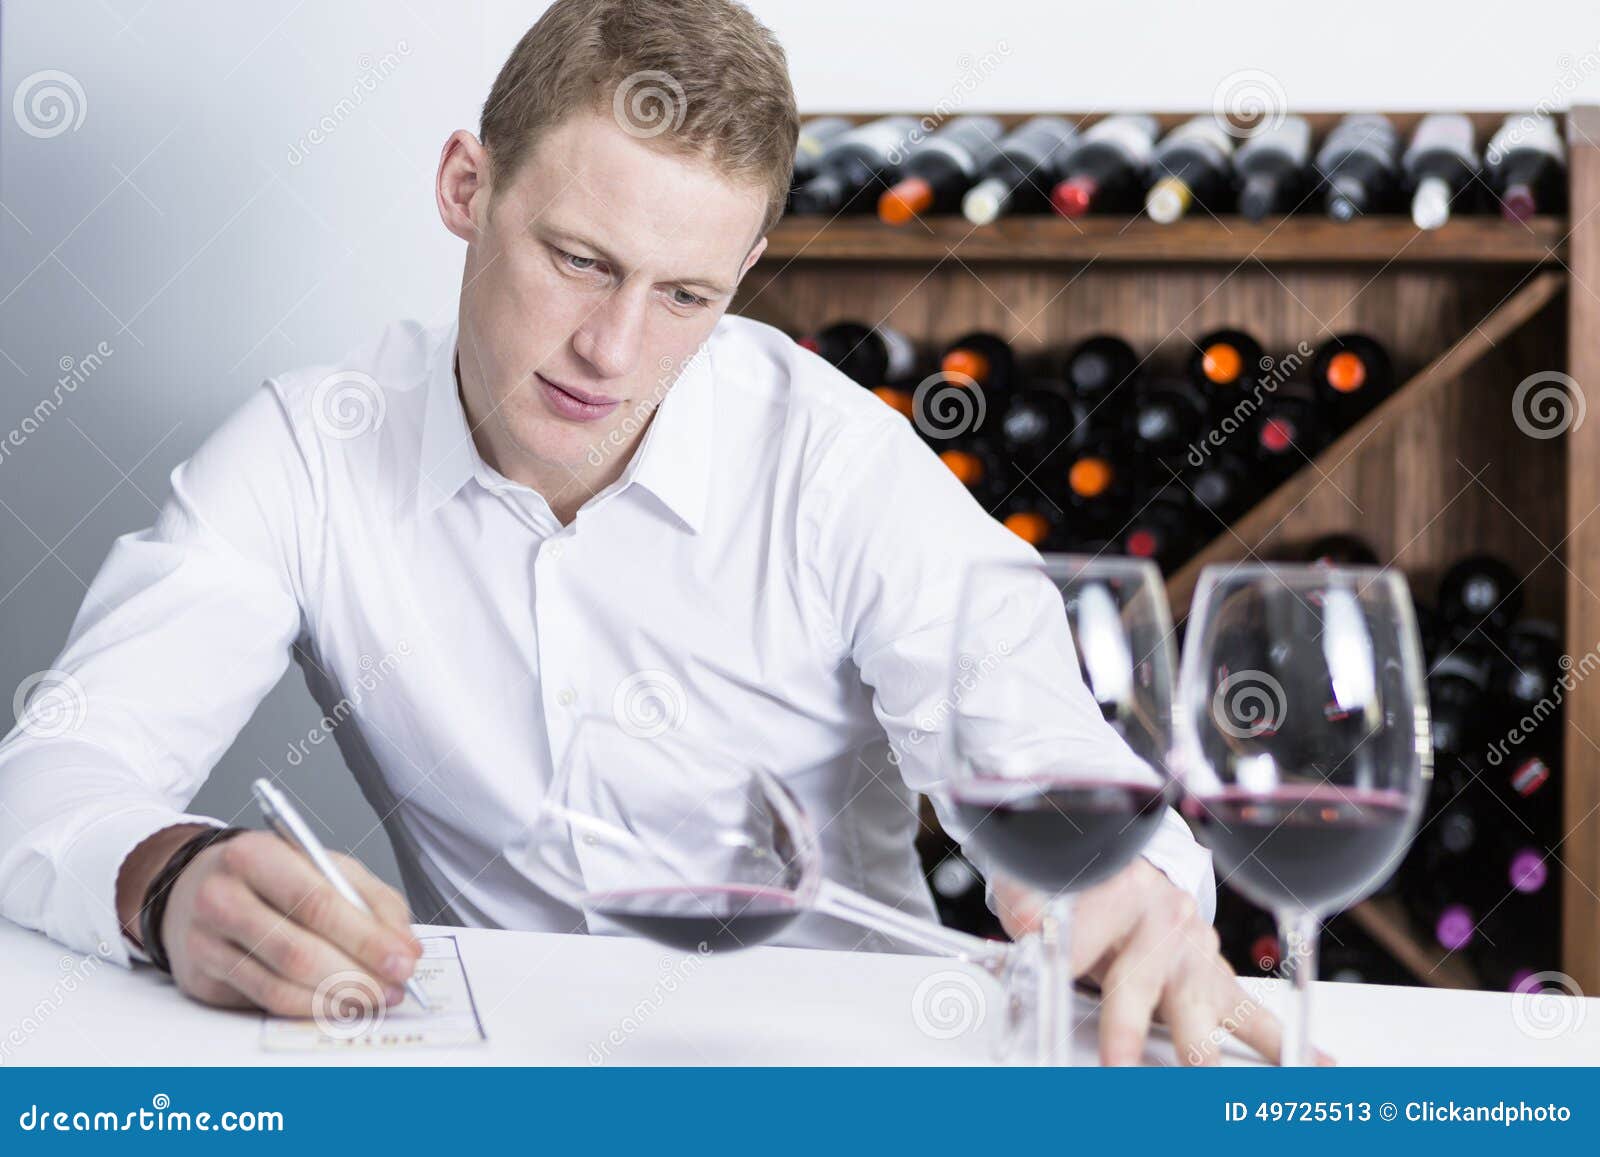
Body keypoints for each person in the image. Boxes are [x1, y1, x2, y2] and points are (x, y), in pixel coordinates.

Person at [0, 0, 1307, 1066]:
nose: (613, 352)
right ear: (467, 184)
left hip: (833, 1092)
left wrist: (1127, 889)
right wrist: (170, 878)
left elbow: (1053, 769)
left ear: (739, 279)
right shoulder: (308, 450)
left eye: (684, 293)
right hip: (494, 1084)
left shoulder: (836, 465)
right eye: (577, 257)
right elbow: (52, 776)